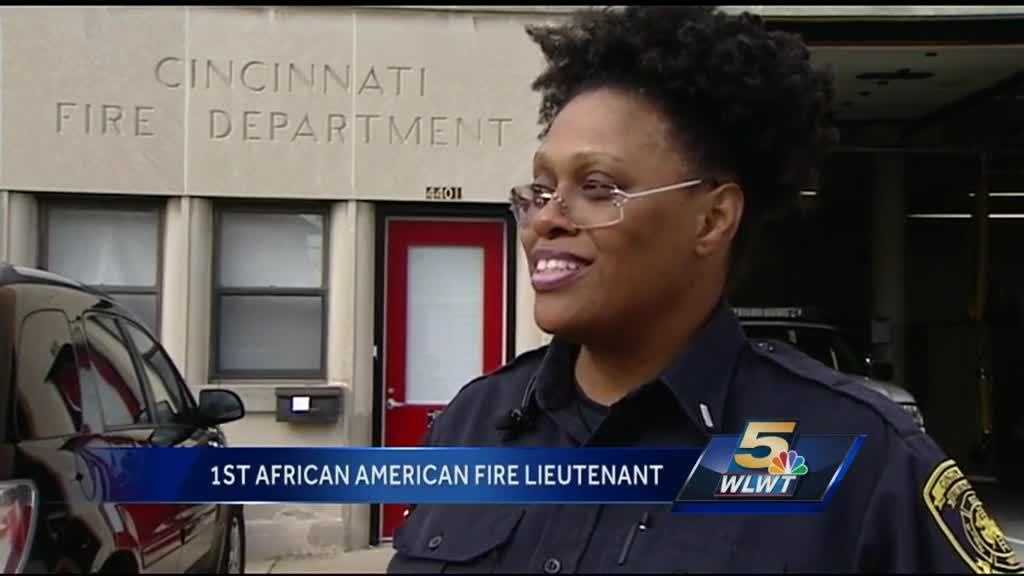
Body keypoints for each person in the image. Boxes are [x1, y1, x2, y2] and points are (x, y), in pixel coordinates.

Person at [387, 6, 1023, 574]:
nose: (548, 217)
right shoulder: (477, 425)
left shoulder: (851, 453)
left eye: (599, 187)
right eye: (540, 189)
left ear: (712, 219)